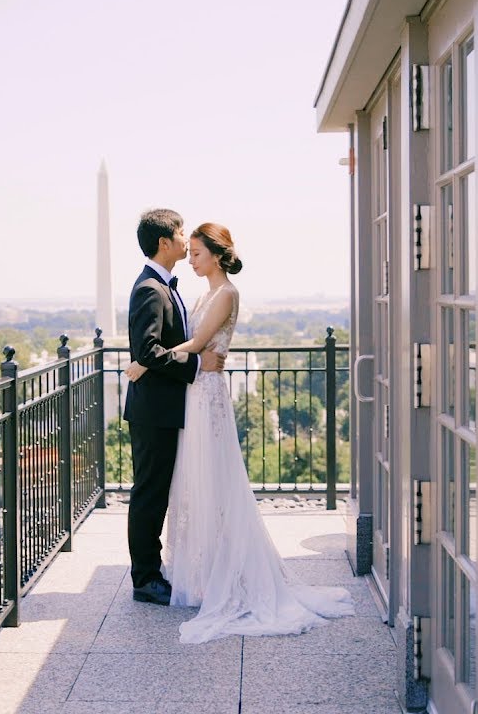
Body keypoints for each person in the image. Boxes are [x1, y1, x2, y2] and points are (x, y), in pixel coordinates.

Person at [125, 222, 355, 643]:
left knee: (211, 480)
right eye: (186, 248)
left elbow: (195, 345)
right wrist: (153, 359)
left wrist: (144, 362)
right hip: (191, 394)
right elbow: (179, 345)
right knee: (183, 485)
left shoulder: (225, 293)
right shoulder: (183, 290)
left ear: (215, 254)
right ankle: (190, 569)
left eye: (196, 252)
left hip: (204, 394)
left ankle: (214, 569)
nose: (190, 256)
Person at [123, 208, 224, 607]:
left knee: (158, 491)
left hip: (166, 408)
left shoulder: (165, 285)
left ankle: (152, 570)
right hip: (153, 412)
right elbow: (147, 351)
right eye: (181, 233)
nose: (186, 240)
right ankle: (145, 578)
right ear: (165, 242)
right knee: (149, 493)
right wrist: (198, 364)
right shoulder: (150, 288)